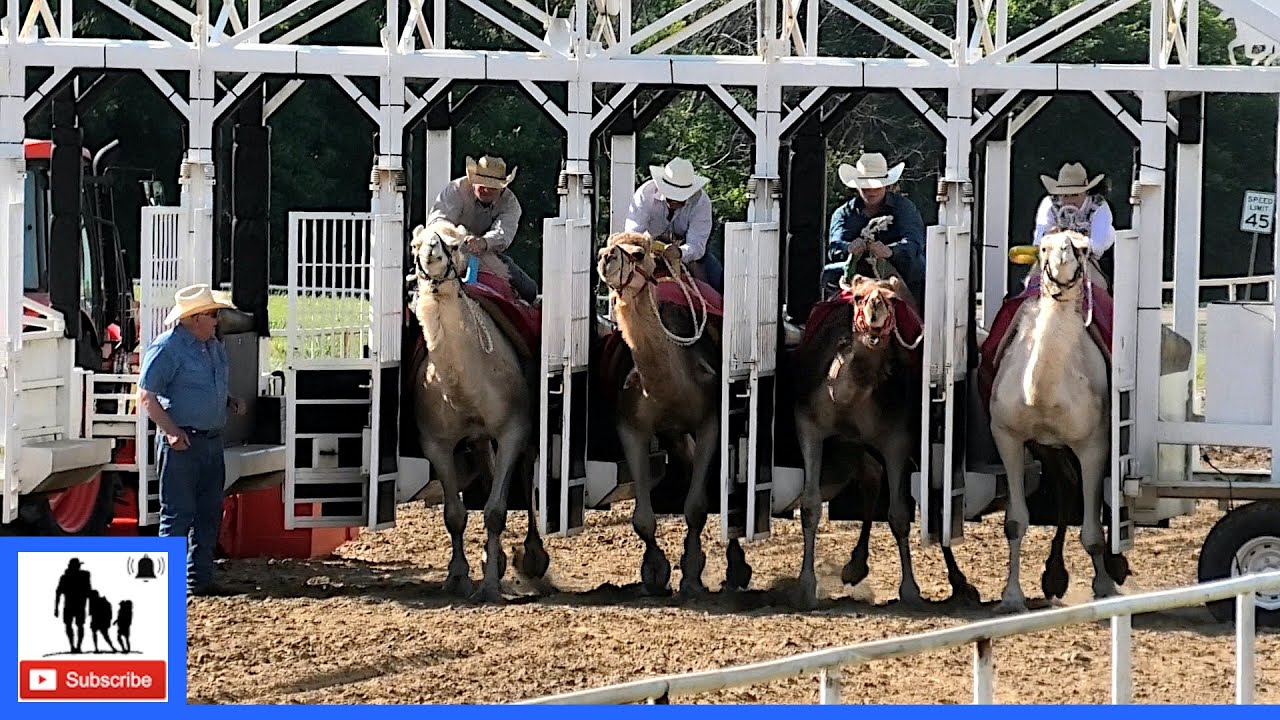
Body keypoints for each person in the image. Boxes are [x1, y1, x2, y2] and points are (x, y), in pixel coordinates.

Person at [138, 284, 247, 597]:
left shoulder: (211, 346)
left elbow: (200, 387)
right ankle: (170, 585)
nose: (217, 321)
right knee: (177, 515)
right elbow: (147, 396)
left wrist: (228, 401)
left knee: (209, 512)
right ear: (196, 318)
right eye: (213, 315)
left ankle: (199, 579)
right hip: (183, 443)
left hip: (210, 441)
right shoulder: (167, 348)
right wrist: (172, 431)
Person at [426, 154, 539, 303]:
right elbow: (438, 220)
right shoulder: (456, 189)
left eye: (492, 187)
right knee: (414, 283)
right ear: (473, 181)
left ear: (502, 188)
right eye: (482, 184)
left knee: (529, 290)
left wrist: (484, 243)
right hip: (448, 251)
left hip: (488, 254)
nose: (486, 190)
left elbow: (503, 232)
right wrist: (458, 236)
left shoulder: (510, 203)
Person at [822, 152, 927, 304]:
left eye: (876, 186)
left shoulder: (904, 208)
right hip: (856, 271)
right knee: (829, 274)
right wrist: (849, 248)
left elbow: (914, 243)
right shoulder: (843, 213)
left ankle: (918, 319)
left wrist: (891, 251)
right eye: (865, 187)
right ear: (857, 186)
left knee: (917, 268)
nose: (871, 191)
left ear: (886, 185)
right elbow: (835, 246)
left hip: (899, 269)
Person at [624, 157, 722, 292]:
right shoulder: (645, 193)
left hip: (685, 248)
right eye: (671, 197)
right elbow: (633, 232)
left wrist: (680, 252)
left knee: (718, 280)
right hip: (648, 247)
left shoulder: (701, 202)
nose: (674, 202)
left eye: (680, 199)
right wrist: (648, 247)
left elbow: (697, 245)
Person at [1033, 161, 1116, 267]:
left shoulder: (1099, 206)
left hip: (1093, 260)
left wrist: (1068, 238)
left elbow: (1097, 247)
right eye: (1065, 196)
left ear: (1086, 192)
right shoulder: (1049, 204)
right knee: (1033, 279)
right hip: (1054, 258)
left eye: (1075, 195)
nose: (1069, 201)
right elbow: (1039, 242)